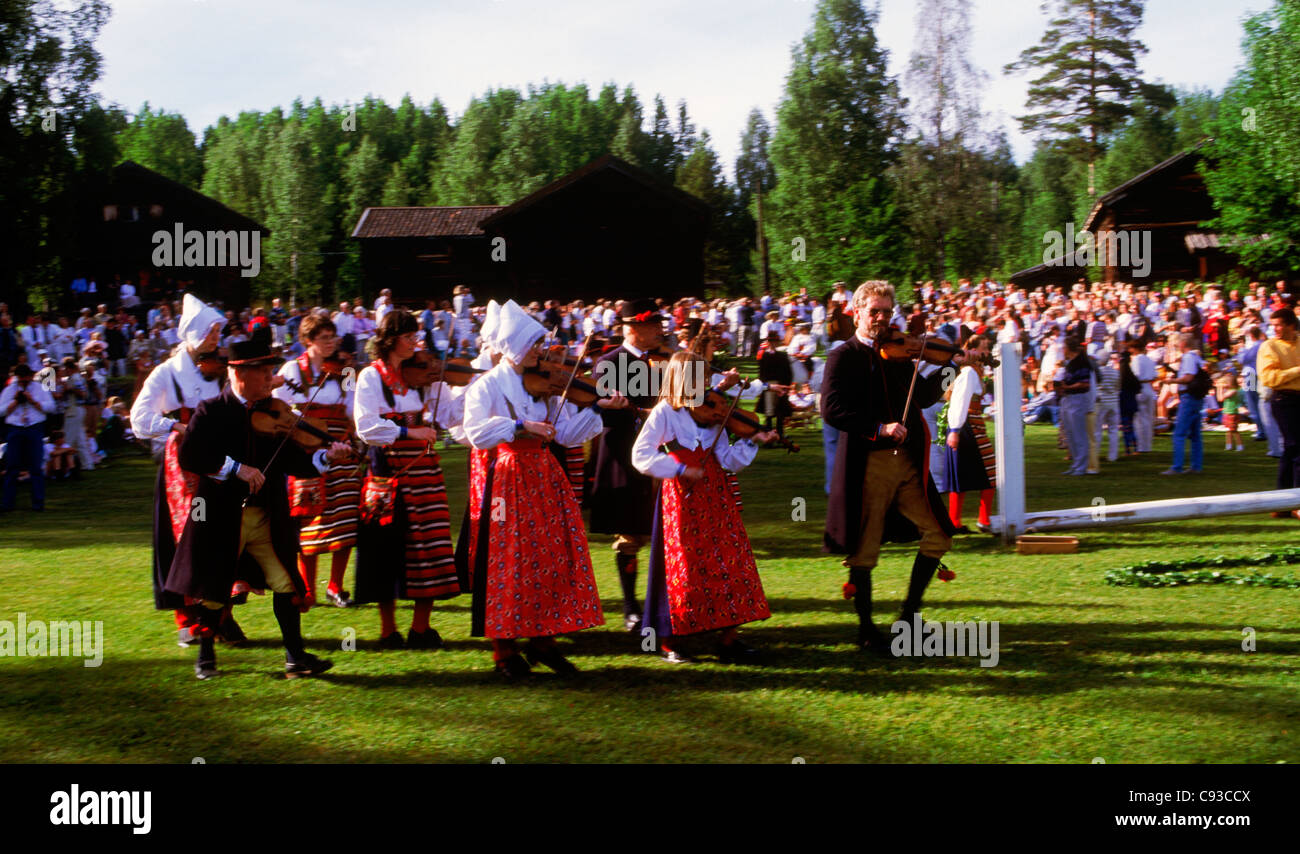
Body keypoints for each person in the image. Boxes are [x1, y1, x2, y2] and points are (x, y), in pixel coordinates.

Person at [163, 330, 350, 680]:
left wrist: (327, 456)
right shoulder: (211, 410)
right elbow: (191, 455)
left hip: (266, 514)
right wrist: (236, 469)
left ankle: (295, 657)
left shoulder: (275, 411)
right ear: (239, 374)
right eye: (263, 371)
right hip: (219, 515)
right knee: (214, 586)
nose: (271, 378)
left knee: (286, 582)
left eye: (270, 370)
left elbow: (293, 459)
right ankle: (206, 658)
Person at [462, 300, 608, 678]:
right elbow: (475, 432)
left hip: (543, 475)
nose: (541, 353)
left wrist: (600, 410)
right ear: (511, 347)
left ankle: (545, 640)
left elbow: (570, 434)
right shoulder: (487, 385)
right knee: (506, 559)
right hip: (506, 478)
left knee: (549, 556)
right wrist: (519, 426)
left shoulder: (545, 384)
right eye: (533, 346)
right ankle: (503, 648)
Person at [821, 281, 957, 655]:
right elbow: (831, 410)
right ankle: (866, 629)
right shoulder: (843, 356)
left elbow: (925, 394)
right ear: (857, 312)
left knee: (939, 533)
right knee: (864, 549)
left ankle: (909, 617)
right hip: (868, 462)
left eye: (886, 311)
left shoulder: (898, 354)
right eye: (874, 311)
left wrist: (954, 367)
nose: (881, 318)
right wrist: (878, 428)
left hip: (908, 461)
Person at [632, 351, 776, 663]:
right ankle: (671, 639)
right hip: (681, 498)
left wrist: (753, 440)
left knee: (728, 560)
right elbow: (640, 455)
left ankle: (728, 638)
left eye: (707, 379)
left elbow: (726, 458)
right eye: (700, 379)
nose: (708, 386)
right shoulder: (665, 413)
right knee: (681, 565)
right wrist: (679, 469)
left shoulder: (712, 412)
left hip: (715, 494)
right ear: (682, 380)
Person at [353, 310, 465, 648]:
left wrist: (462, 389)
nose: (417, 342)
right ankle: (388, 630)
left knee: (430, 545)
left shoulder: (426, 379)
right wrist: (409, 431)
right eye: (409, 336)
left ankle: (421, 628)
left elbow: (453, 417)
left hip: (425, 472)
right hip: (387, 472)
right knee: (384, 548)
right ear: (390, 340)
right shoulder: (370, 378)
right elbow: (366, 427)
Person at [130, 294, 234, 646]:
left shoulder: (216, 370)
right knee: (185, 537)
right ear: (194, 333)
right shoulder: (166, 373)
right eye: (211, 332)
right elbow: (139, 418)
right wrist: (174, 427)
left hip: (215, 459)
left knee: (221, 535)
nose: (216, 339)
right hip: (182, 465)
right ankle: (186, 618)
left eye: (218, 332)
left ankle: (221, 615)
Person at [587, 298, 669, 632]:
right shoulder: (609, 362)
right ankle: (631, 606)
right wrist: (616, 406)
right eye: (654, 326)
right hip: (625, 456)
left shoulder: (670, 361)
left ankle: (669, 600)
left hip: (667, 458)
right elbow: (596, 412)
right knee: (629, 533)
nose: (661, 331)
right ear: (634, 329)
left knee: (669, 532)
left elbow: (693, 402)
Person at [273, 315, 361, 608]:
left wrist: (354, 440)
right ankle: (306, 588)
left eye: (332, 338)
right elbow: (279, 408)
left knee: (346, 517)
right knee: (309, 516)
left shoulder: (344, 370)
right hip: (306, 450)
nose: (330, 343)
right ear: (307, 341)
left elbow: (352, 407)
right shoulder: (291, 370)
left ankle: (336, 586)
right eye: (323, 338)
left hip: (341, 447)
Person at [944, 335, 996, 532]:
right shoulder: (968, 373)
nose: (987, 353)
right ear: (972, 350)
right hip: (966, 426)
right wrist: (955, 430)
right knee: (987, 472)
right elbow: (960, 401)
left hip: (969, 424)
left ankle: (963, 521)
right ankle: (975, 520)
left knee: (966, 474)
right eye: (984, 349)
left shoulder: (973, 371)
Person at [1, 363, 57, 511]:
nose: (24, 383)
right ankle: (7, 504)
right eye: (21, 380)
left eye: (26, 380)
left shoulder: (39, 389)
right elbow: (1, 411)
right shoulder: (9, 390)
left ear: (31, 377)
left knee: (36, 467)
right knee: (12, 467)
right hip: (15, 428)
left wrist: (32, 401)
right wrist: (15, 402)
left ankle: (38, 504)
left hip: (34, 428)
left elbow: (51, 407)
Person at [1258, 307, 1300, 500]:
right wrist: (1297, 371)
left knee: (1291, 449)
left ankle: (1282, 502)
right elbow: (1269, 378)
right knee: (1296, 448)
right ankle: (1295, 501)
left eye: (1279, 325)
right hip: (1284, 400)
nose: (1275, 329)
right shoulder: (1270, 346)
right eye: (1272, 325)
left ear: (1291, 325)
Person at [1161, 333, 1206, 475]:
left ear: (1182, 344)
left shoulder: (1188, 357)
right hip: (1197, 398)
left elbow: (1188, 377)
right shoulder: (1196, 357)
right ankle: (1196, 466)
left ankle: (1177, 467)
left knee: (1179, 434)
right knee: (1195, 435)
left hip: (1188, 397)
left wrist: (1172, 381)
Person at [1056, 337, 1093, 475]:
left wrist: (1067, 386)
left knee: (1078, 433)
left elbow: (1085, 383)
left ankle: (1081, 466)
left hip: (1077, 398)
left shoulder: (1081, 363)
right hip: (1067, 398)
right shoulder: (1070, 363)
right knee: (1070, 433)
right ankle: (1076, 463)